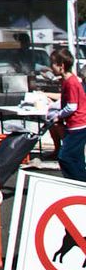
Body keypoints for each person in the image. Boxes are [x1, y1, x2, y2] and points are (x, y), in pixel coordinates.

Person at [48, 48, 86, 181]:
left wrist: (59, 115)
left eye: (52, 64)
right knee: (77, 157)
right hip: (76, 125)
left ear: (61, 65)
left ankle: (77, 182)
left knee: (65, 157)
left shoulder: (71, 82)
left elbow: (72, 106)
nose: (51, 67)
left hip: (78, 125)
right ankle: (80, 183)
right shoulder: (68, 81)